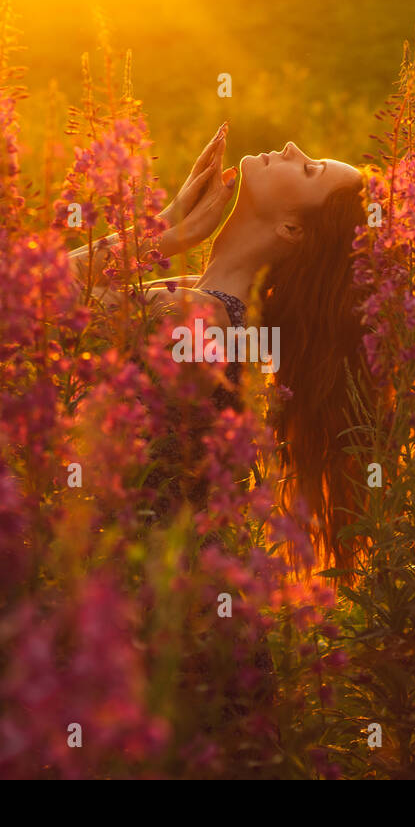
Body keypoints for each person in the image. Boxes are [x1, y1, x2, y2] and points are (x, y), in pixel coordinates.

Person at [68, 123, 375, 582]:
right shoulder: (205, 302)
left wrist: (166, 235)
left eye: (309, 169)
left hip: (140, 594)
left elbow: (24, 299)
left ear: (291, 228)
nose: (292, 146)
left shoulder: (197, 316)